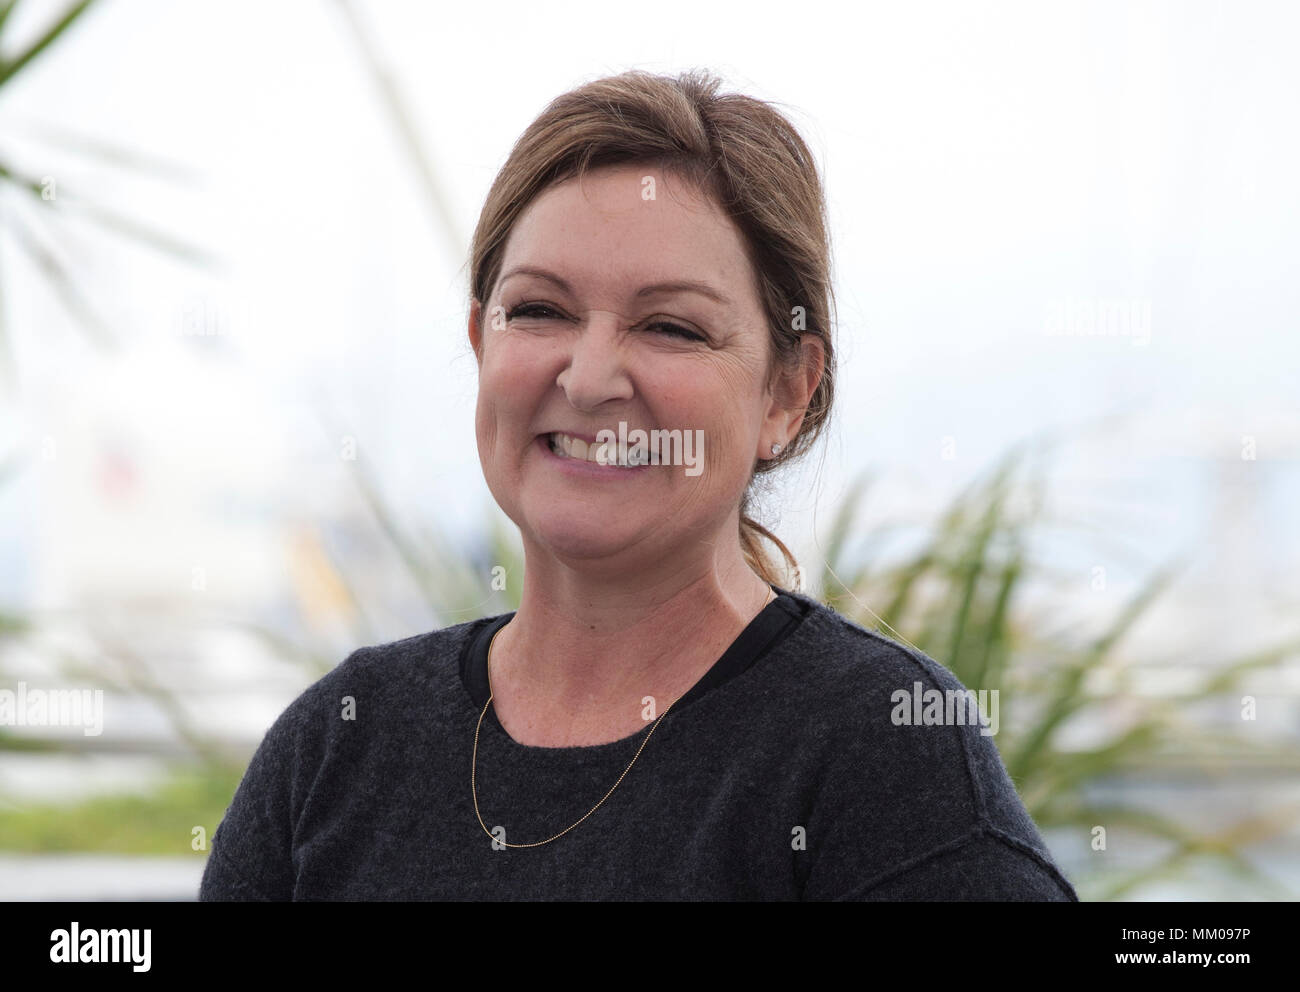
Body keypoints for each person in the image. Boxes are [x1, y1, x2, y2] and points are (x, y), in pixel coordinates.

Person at [199, 68, 1078, 901]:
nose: (588, 379)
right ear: (480, 343)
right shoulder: (341, 742)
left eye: (670, 327)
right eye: (540, 310)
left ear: (786, 392)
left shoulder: (879, 753)